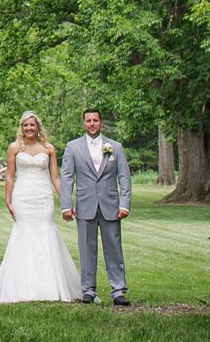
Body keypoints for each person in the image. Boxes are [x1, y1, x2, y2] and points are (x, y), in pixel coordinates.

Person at [0, 111, 83, 304]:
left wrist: (66, 202)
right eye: (25, 125)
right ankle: (21, 286)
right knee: (24, 234)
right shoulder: (14, 148)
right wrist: (8, 200)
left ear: (38, 127)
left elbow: (55, 177)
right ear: (21, 128)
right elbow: (10, 176)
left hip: (43, 197)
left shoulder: (48, 148)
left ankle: (49, 286)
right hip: (23, 197)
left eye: (32, 125)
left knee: (45, 234)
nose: (29, 128)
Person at [60, 107, 131, 305]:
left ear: (101, 123)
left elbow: (124, 177)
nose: (92, 124)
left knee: (114, 248)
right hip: (84, 205)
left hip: (110, 205)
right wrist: (66, 205)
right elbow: (67, 177)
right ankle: (88, 290)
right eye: (88, 121)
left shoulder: (114, 147)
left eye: (95, 120)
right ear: (83, 123)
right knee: (86, 249)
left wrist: (124, 204)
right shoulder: (72, 147)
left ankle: (118, 290)